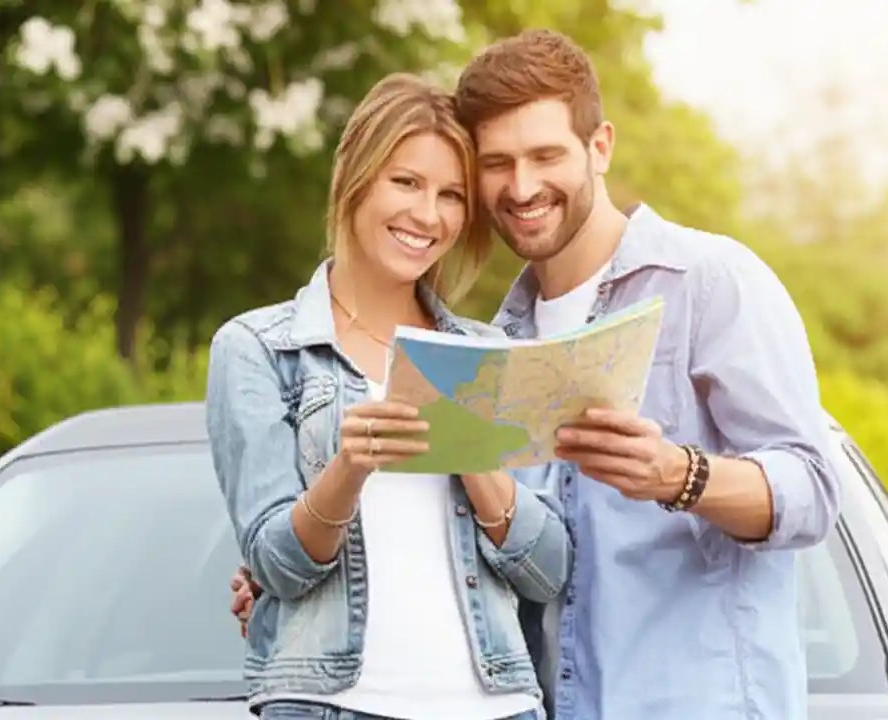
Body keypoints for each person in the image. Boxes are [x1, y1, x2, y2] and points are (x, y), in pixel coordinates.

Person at [234, 29, 842, 720]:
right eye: (497, 163)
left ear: (600, 146)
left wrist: (680, 475)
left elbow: (814, 489)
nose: (522, 187)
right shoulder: (493, 343)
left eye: (546, 155)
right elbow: (487, 545)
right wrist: (291, 572)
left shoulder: (708, 282)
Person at [206, 72, 570, 720]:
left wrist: (473, 451)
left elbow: (547, 570)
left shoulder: (493, 354)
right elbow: (280, 569)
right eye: (406, 182)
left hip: (498, 706)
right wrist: (349, 468)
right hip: (332, 704)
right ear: (356, 176)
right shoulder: (258, 349)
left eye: (452, 195)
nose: (428, 216)